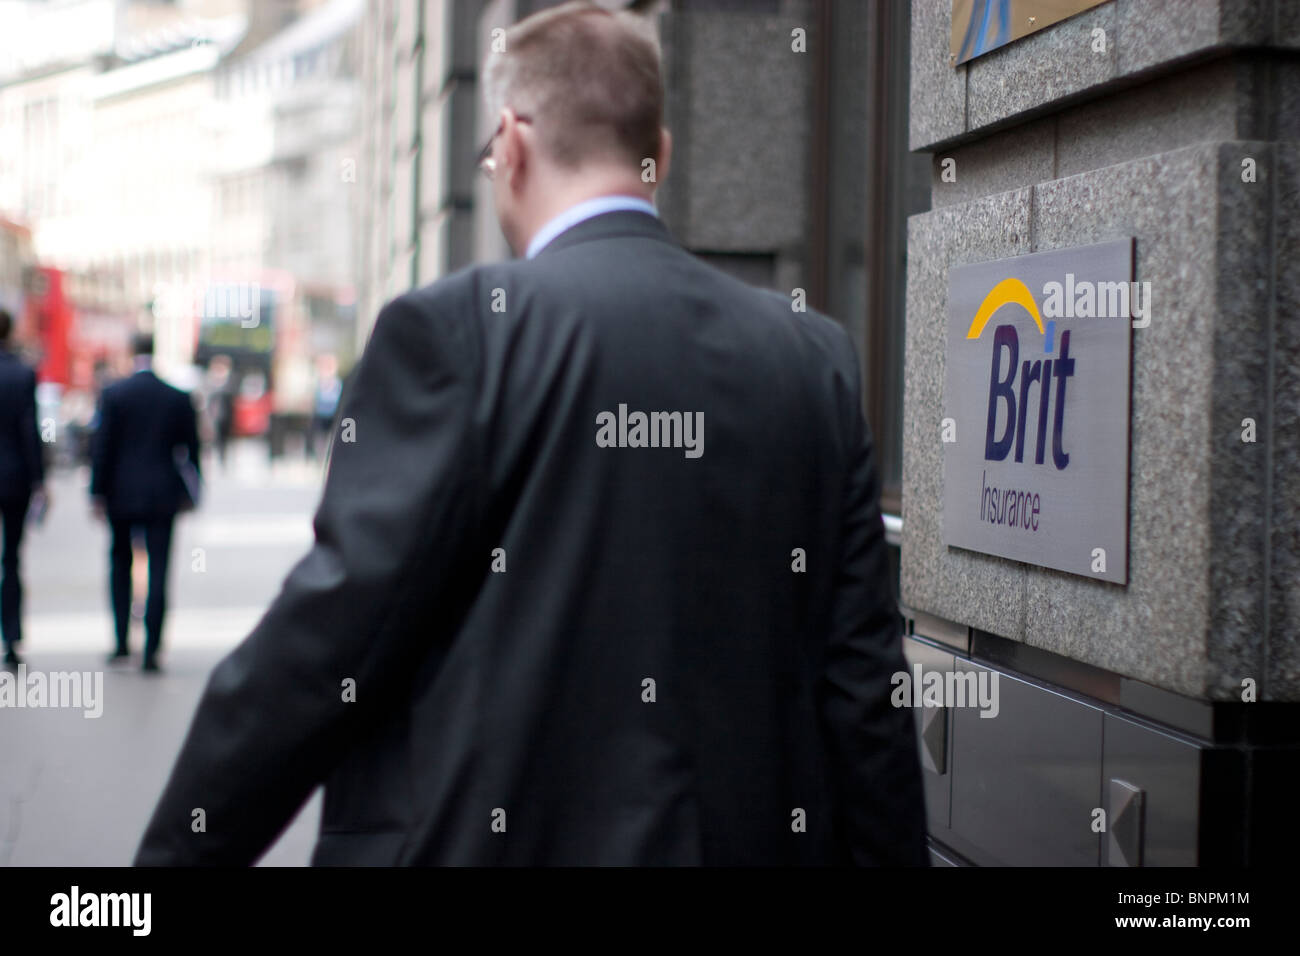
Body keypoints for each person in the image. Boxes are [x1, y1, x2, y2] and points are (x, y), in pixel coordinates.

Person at [136, 0, 925, 866]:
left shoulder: (458, 335)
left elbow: (322, 651)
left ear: (510, 142)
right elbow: (865, 694)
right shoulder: (812, 360)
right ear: (660, 155)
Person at [90, 332, 200, 673]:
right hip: (163, 493)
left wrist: (97, 492)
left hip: (120, 493)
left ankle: (122, 643)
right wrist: (192, 492)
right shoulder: (177, 396)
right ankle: (152, 650)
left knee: (120, 564)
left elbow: (102, 447)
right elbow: (192, 450)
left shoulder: (113, 394)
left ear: (130, 352)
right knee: (159, 568)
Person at [0, 309, 45, 667]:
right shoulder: (23, 373)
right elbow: (30, 431)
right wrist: (39, 479)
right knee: (11, 559)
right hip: (13, 479)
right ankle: (11, 638)